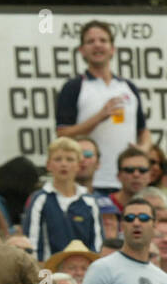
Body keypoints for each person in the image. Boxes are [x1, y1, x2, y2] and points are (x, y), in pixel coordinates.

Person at [55, 19, 149, 195]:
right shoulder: (74, 87)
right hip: (91, 181)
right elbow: (62, 134)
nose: (97, 45)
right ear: (82, 51)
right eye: (90, 41)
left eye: (103, 40)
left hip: (127, 182)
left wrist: (143, 149)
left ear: (112, 49)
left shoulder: (128, 87)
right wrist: (99, 117)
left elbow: (143, 129)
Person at [22, 137, 102, 261]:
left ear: (78, 165)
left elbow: (97, 244)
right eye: (58, 159)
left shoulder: (89, 202)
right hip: (48, 273)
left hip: (83, 273)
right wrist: (44, 279)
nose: (64, 164)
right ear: (48, 165)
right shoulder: (40, 199)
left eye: (70, 159)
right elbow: (32, 244)